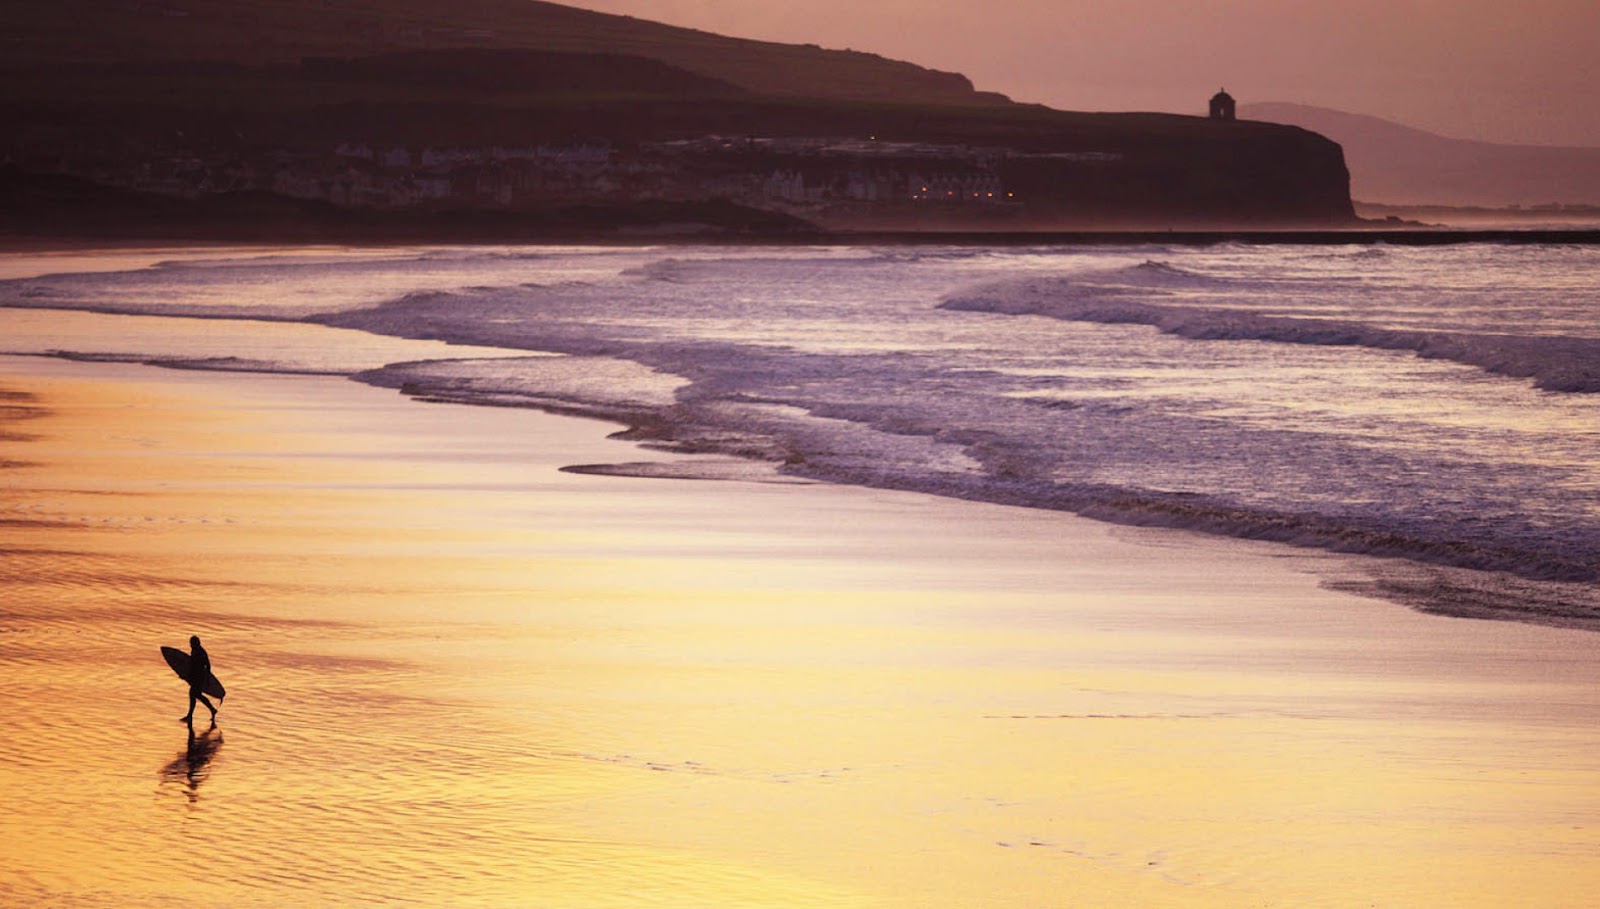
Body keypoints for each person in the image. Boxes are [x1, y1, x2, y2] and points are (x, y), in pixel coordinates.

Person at [182, 635, 219, 725]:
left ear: (196, 643)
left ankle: (192, 715)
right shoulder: (195, 651)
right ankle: (210, 710)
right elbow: (191, 666)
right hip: (195, 677)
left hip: (199, 677)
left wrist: (207, 678)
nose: (190, 645)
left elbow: (208, 665)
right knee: (195, 695)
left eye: (191, 643)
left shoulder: (201, 652)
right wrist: (185, 675)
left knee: (194, 695)